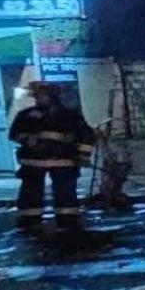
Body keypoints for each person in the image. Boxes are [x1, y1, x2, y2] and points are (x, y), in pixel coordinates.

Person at [9, 82, 96, 232]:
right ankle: (29, 220)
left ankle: (68, 220)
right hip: (34, 161)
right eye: (37, 96)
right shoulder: (25, 115)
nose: (38, 99)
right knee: (31, 192)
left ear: (52, 97)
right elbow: (14, 133)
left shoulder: (70, 115)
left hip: (63, 159)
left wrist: (83, 155)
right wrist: (26, 139)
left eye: (42, 96)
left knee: (65, 191)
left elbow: (86, 135)